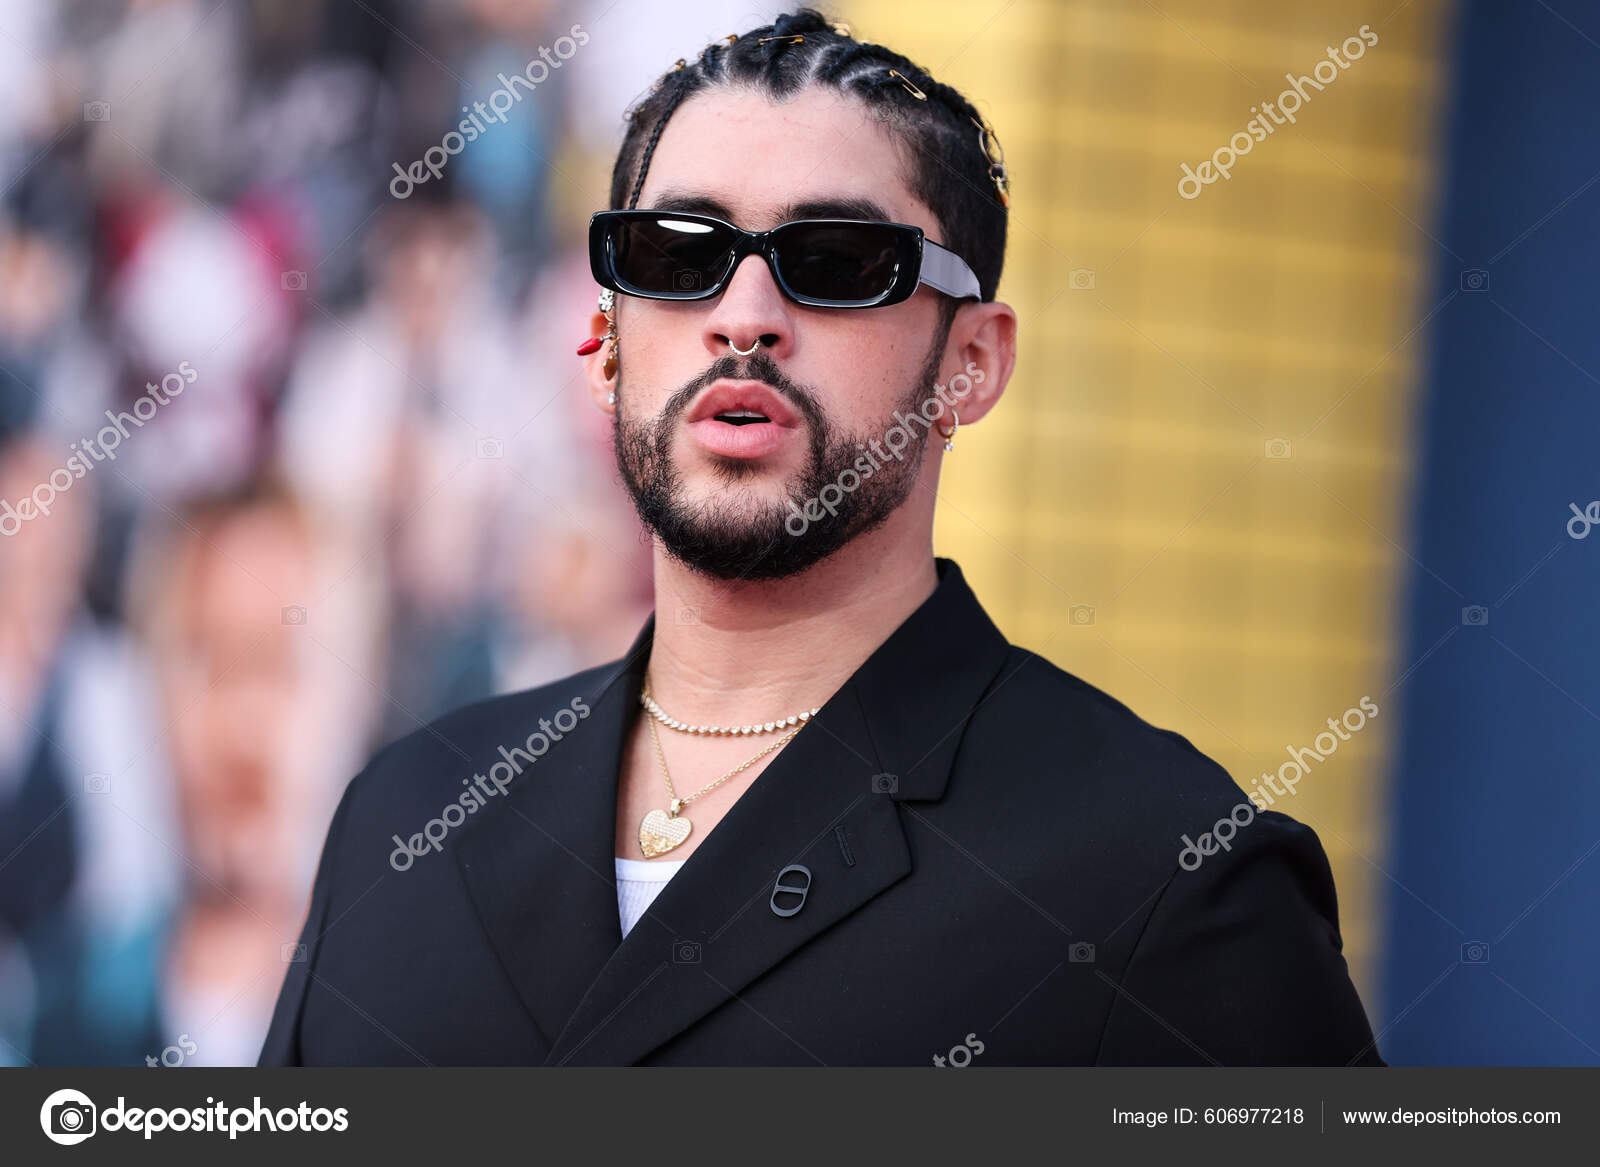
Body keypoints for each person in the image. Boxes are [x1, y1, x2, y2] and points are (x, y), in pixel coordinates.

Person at [261, 10, 1381, 1067]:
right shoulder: (405, 819)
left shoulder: (1167, 881)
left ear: (972, 362)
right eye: (673, 253)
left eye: (838, 261)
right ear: (605, 337)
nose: (742, 312)